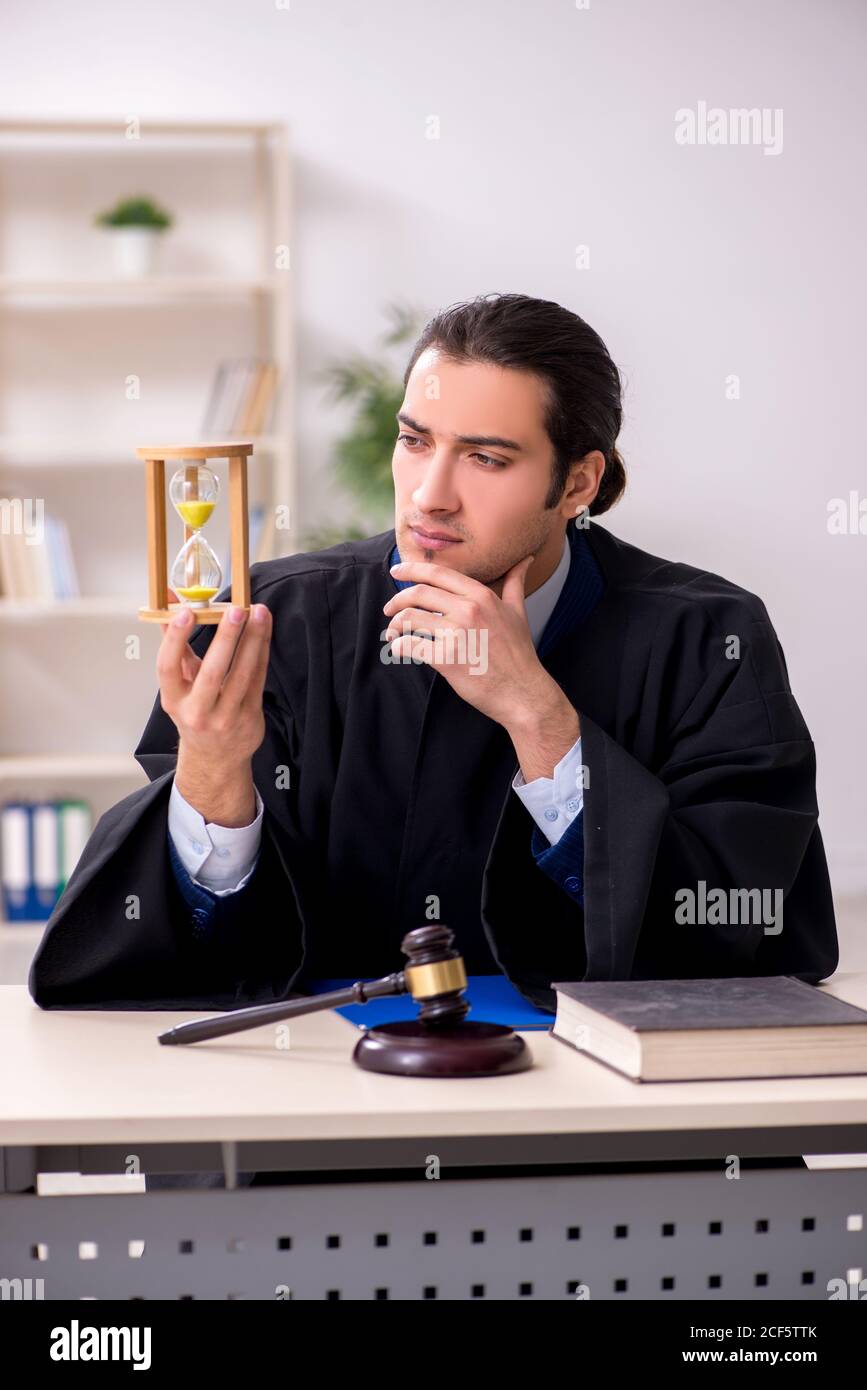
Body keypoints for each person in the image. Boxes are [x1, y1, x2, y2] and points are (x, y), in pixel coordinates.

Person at [29, 292, 838, 1018]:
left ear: (579, 481)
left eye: (485, 459)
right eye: (415, 442)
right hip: (310, 1103)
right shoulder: (274, 620)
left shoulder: (706, 635)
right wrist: (211, 772)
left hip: (601, 1114)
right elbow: (189, 953)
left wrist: (539, 716)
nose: (429, 495)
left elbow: (736, 923)